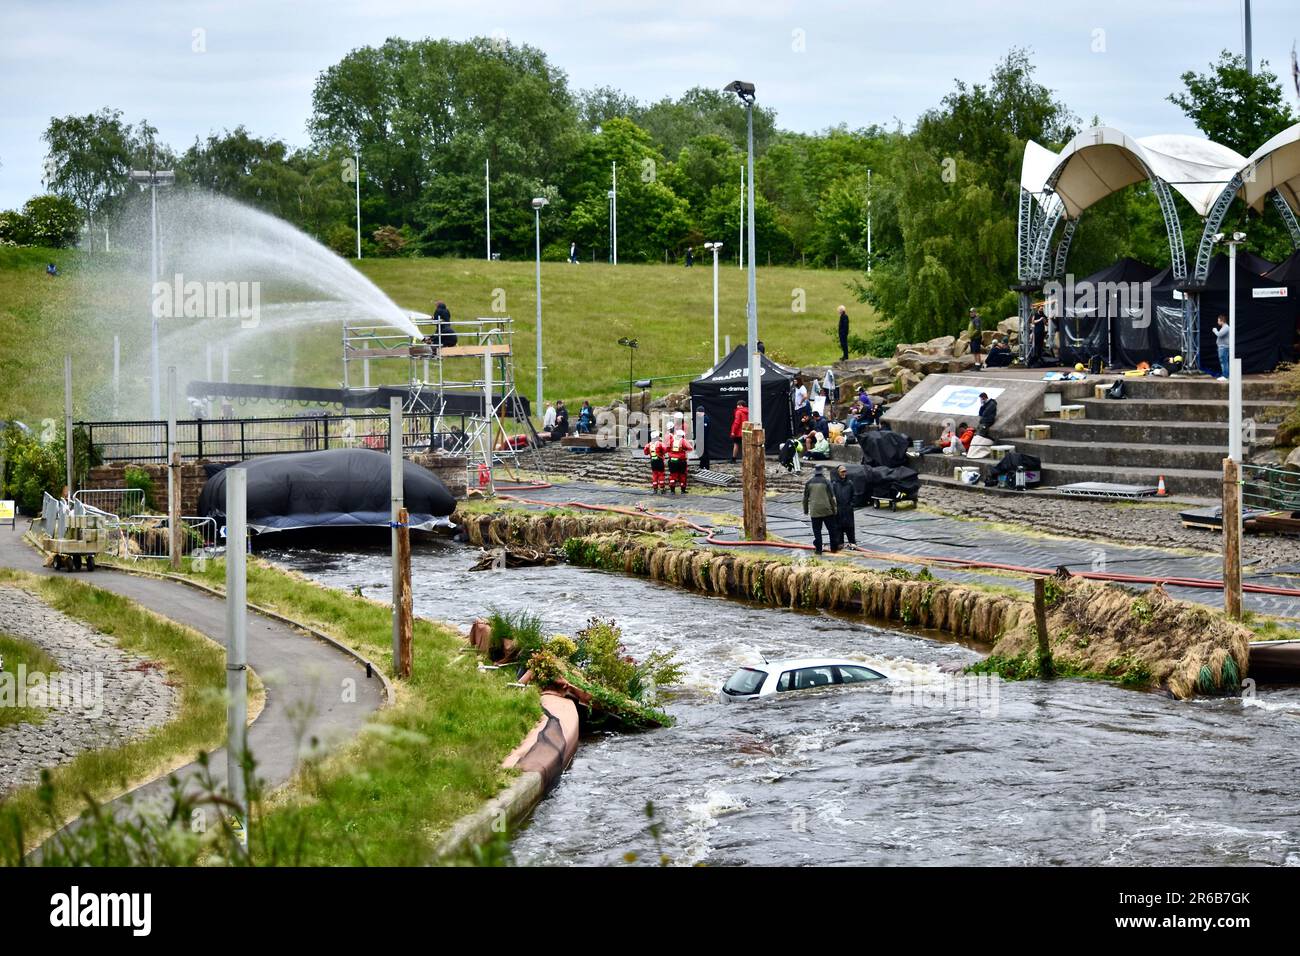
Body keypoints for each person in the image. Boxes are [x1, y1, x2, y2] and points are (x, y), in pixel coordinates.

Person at [803, 466, 838, 555]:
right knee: (832, 530)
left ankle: (818, 550)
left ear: (815, 472)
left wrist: (806, 510)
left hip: (815, 511)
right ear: (822, 472)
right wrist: (834, 510)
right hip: (827, 510)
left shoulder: (809, 483)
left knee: (817, 531)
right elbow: (832, 498)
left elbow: (805, 498)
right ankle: (834, 548)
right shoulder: (827, 482)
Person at [831, 465, 857, 551]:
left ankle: (852, 543)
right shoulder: (834, 484)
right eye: (842, 472)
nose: (844, 473)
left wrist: (851, 505)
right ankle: (840, 543)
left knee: (850, 527)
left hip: (848, 510)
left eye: (844, 472)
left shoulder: (850, 483)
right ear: (838, 473)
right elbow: (832, 497)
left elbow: (854, 495)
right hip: (838, 510)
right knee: (839, 528)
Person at [665, 427, 693, 493]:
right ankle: (683, 490)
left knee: (672, 475)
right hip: (681, 461)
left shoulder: (671, 440)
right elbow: (690, 448)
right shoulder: (683, 440)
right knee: (682, 475)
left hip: (672, 461)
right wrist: (684, 449)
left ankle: (672, 491)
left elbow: (666, 448)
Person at [1215, 314, 1230, 381]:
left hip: (1224, 347)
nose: (1217, 322)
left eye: (1218, 320)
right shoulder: (1224, 327)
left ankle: (1225, 376)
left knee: (1224, 362)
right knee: (1223, 362)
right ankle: (1225, 375)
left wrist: (1215, 330)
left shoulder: (1226, 327)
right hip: (1222, 347)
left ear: (1222, 321)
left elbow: (1219, 334)